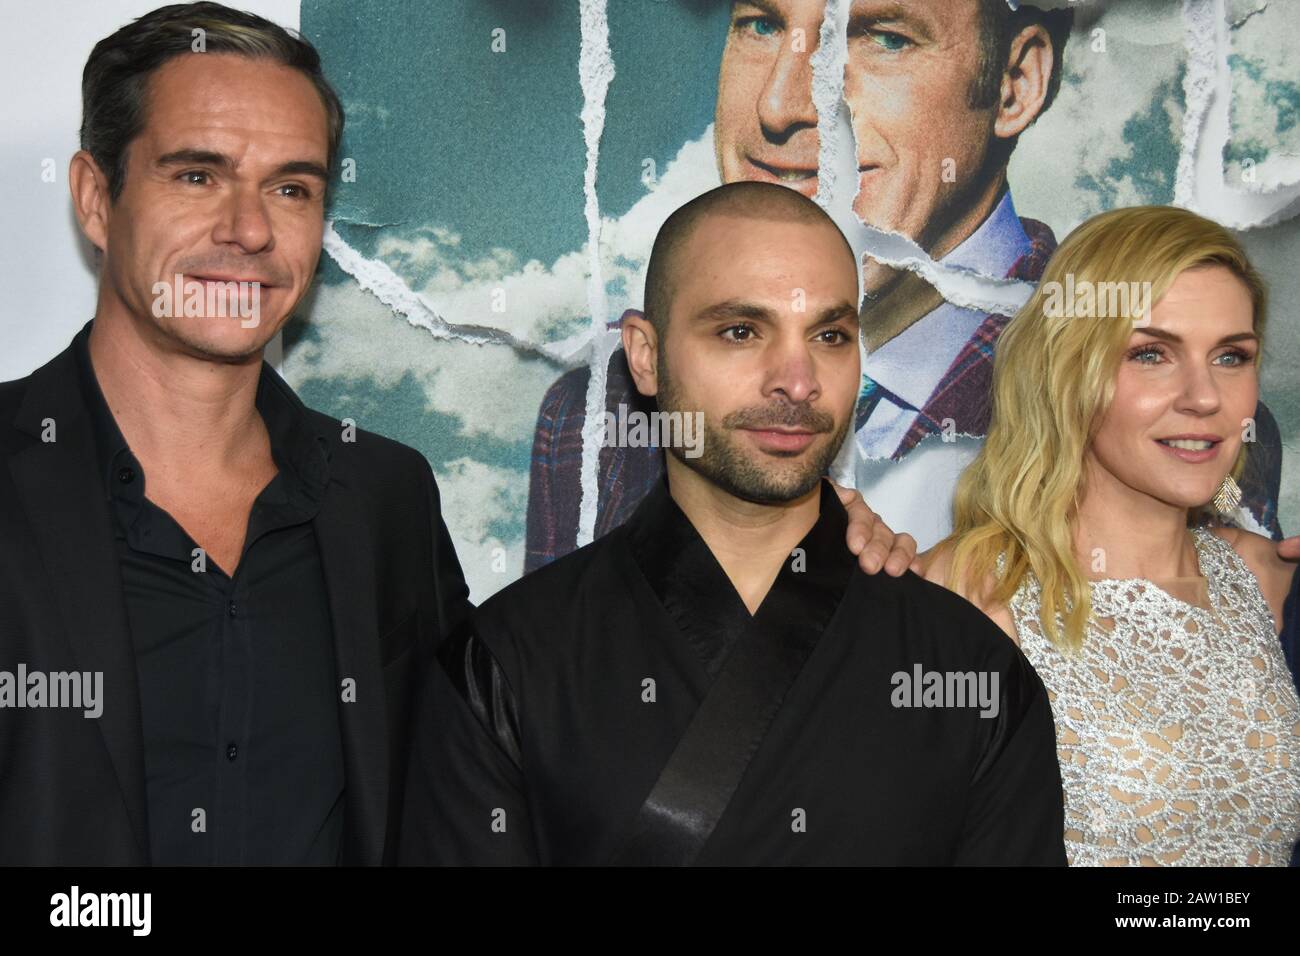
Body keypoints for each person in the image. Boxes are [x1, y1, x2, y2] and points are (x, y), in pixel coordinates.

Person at [0, 2, 917, 866]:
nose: (246, 229)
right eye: (197, 174)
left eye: (291, 186)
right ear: (94, 196)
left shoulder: (382, 499)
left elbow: (535, 737)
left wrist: (809, 540)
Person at [401, 181, 1067, 866]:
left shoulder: (970, 672)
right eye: (741, 331)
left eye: (830, 335)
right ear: (644, 354)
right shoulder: (507, 663)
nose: (797, 380)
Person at [525, 0, 1286, 566]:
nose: (782, 105)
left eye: (883, 38)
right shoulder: (603, 408)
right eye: (761, 23)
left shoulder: (1157, 409)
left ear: (1016, 83)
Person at [919, 205, 1300, 866]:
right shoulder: (961, 594)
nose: (1204, 397)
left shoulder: (1274, 583)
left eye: (1231, 356)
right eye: (1151, 353)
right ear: (1070, 370)